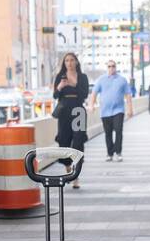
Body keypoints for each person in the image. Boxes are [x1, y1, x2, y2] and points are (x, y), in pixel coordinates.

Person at [53, 52, 89, 189]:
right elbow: (55, 95)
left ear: (76, 62)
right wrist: (60, 87)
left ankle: (76, 176)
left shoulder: (83, 77)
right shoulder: (59, 77)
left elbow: (84, 94)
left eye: (72, 60)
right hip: (64, 111)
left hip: (78, 110)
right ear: (64, 63)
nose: (69, 63)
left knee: (79, 142)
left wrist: (73, 83)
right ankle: (68, 168)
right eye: (67, 60)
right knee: (64, 141)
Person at [91, 61, 135, 161]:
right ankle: (109, 154)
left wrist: (130, 109)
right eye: (109, 66)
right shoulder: (101, 80)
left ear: (116, 67)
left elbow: (128, 95)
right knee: (108, 133)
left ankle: (118, 152)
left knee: (119, 130)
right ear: (107, 68)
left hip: (118, 110)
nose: (111, 68)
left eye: (113, 66)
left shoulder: (122, 80)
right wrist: (91, 105)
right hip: (105, 112)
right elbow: (94, 93)